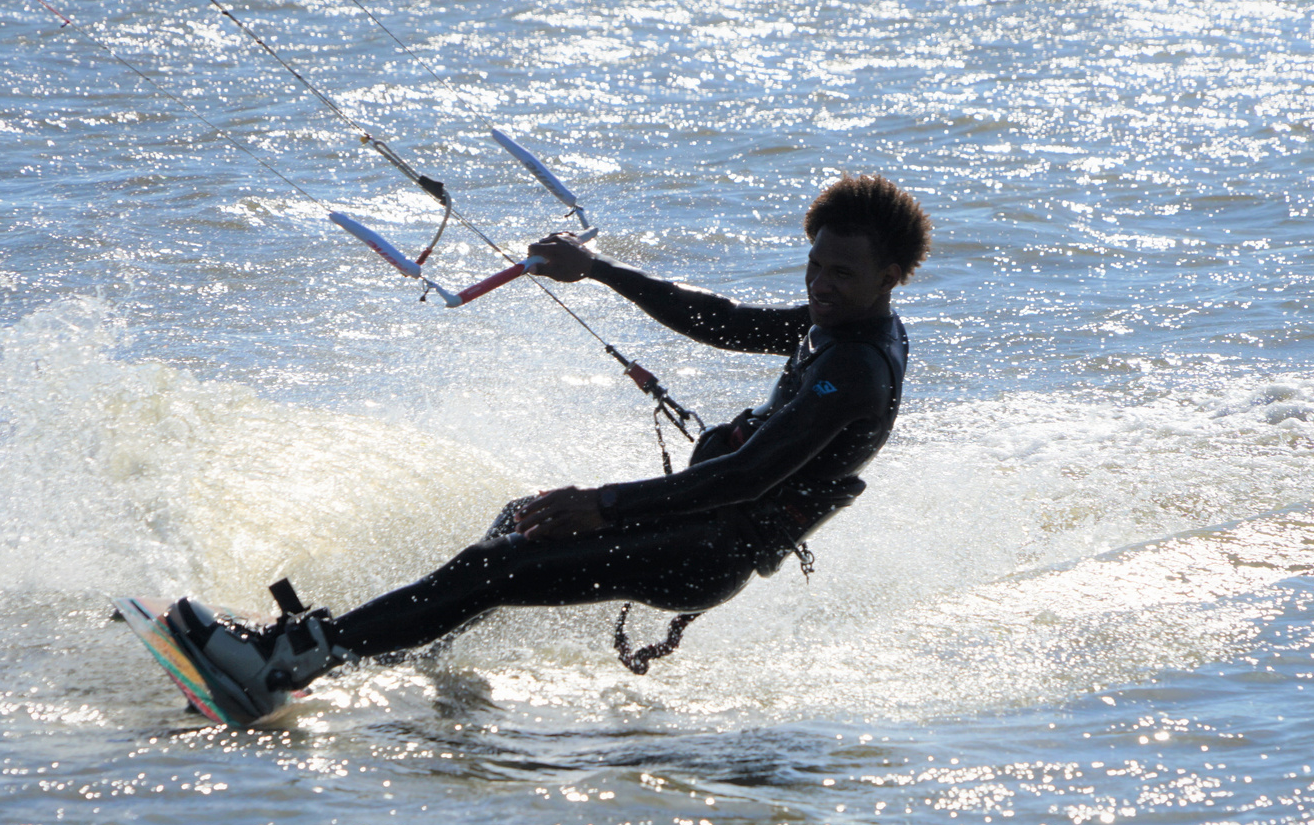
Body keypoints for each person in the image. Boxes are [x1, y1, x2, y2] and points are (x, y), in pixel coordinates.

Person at [161, 173, 931, 724]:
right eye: (814, 264)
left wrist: (601, 506)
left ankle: (292, 659)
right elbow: (719, 320)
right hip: (693, 530)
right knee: (515, 526)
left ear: (891, 276)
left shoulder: (859, 370)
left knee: (492, 569)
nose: (820, 283)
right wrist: (596, 271)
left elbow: (741, 478)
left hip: (701, 552)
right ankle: (381, 650)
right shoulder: (837, 323)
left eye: (841, 273)